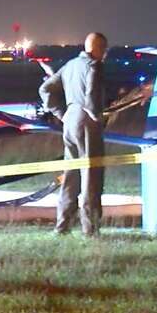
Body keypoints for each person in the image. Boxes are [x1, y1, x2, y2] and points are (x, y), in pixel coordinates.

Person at [39, 32, 107, 237]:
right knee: (91, 177)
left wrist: (61, 113)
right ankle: (91, 230)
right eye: (104, 50)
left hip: (70, 122)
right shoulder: (94, 66)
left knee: (71, 175)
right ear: (98, 49)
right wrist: (97, 115)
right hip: (86, 123)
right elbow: (92, 97)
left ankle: (63, 226)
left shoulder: (70, 65)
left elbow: (45, 88)